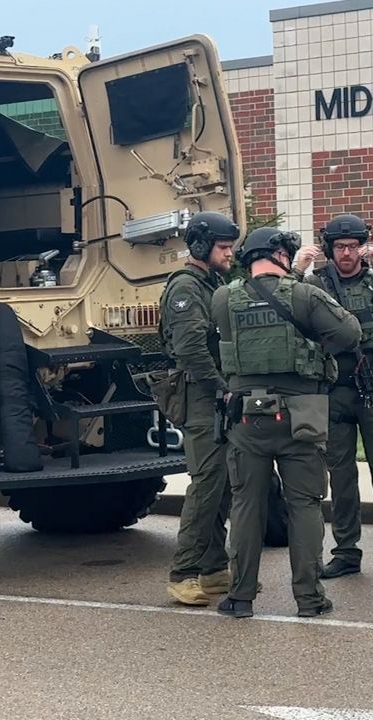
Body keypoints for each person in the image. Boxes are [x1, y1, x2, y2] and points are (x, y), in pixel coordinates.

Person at [211, 227, 361, 619]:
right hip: (304, 410)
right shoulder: (304, 293)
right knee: (305, 505)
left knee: (246, 505)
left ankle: (240, 598)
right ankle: (310, 598)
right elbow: (350, 333)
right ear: (280, 254)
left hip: (247, 412)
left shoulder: (224, 297)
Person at [293, 214, 373, 579]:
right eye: (340, 247)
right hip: (334, 391)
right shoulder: (315, 284)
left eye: (354, 246)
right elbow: (285, 310)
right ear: (329, 249)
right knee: (341, 477)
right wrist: (294, 270)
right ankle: (346, 551)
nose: (347, 254)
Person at [159, 211, 240, 606]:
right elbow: (190, 348)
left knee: (222, 485)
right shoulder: (186, 289)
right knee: (207, 485)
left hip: (215, 397)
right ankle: (183, 573)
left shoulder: (213, 283)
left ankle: (213, 569)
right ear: (201, 247)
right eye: (224, 248)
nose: (229, 255)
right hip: (202, 398)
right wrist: (222, 388)